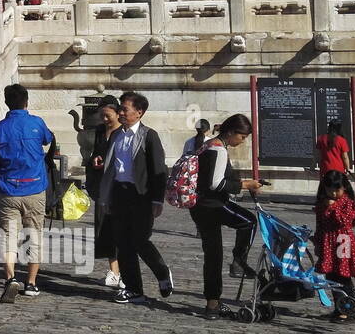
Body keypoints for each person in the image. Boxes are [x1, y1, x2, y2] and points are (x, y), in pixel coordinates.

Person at [98, 91, 173, 306]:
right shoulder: (115, 135)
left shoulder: (149, 136)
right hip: (119, 194)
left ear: (139, 112)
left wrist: (157, 200)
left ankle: (161, 271)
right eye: (120, 108)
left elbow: (158, 169)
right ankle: (133, 289)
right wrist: (106, 197)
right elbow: (110, 167)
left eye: (125, 109)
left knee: (140, 240)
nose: (120, 112)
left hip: (141, 195)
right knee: (122, 243)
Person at [189, 113, 261, 320]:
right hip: (213, 205)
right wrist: (245, 185)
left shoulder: (208, 144)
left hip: (201, 206)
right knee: (249, 221)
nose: (242, 141)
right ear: (231, 132)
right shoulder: (218, 149)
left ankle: (212, 303)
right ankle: (239, 260)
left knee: (213, 255)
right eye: (242, 137)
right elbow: (216, 183)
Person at [0, 83, 51, 301]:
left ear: (6, 102)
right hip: (34, 187)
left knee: (8, 237)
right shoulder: (37, 123)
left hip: (9, 189)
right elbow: (48, 139)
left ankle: (11, 278)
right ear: (27, 101)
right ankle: (31, 282)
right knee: (34, 235)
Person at [314, 171, 355, 324]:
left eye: (336, 190)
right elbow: (320, 223)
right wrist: (317, 241)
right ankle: (339, 308)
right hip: (327, 243)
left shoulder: (346, 203)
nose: (333, 193)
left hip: (342, 242)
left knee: (343, 276)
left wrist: (334, 208)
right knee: (331, 276)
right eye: (329, 189)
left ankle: (349, 310)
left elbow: (345, 222)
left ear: (344, 188)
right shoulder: (322, 203)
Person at [86, 99, 122, 288]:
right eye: (102, 115)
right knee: (103, 228)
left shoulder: (124, 133)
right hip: (102, 186)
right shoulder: (100, 131)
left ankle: (123, 270)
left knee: (120, 229)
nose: (105, 119)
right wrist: (95, 159)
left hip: (119, 187)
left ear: (118, 113)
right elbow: (95, 152)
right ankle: (114, 270)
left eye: (108, 115)